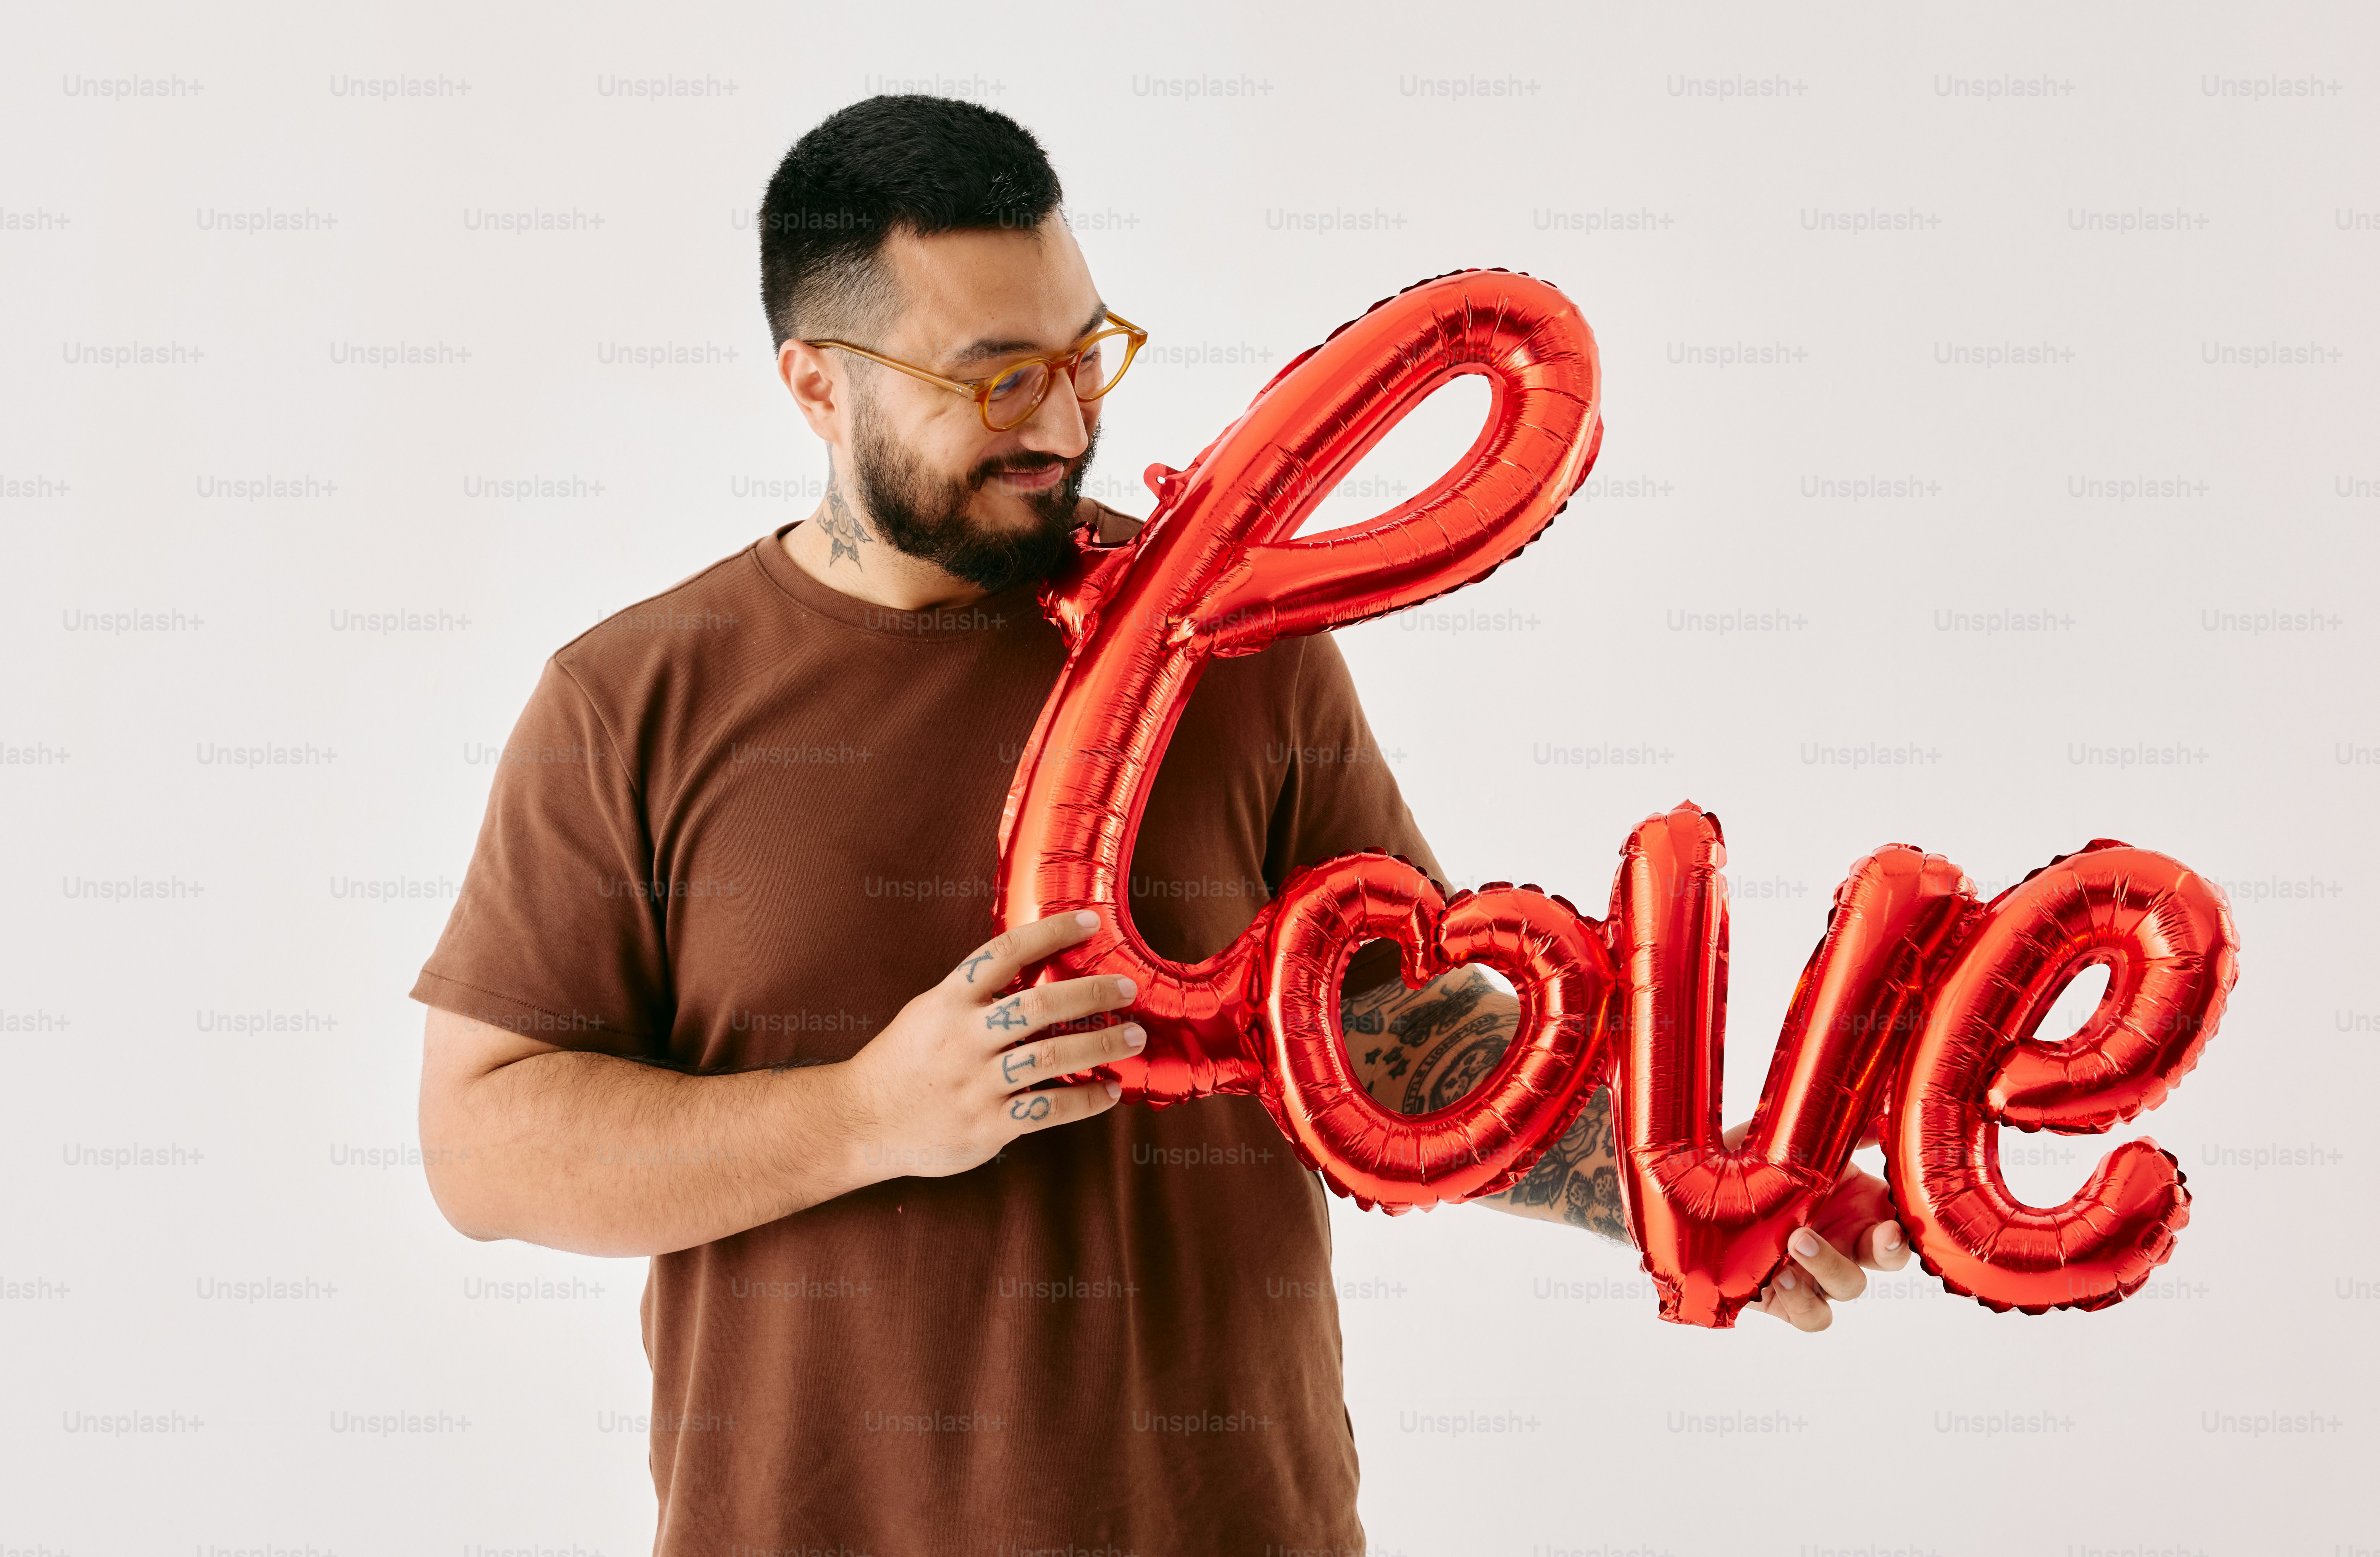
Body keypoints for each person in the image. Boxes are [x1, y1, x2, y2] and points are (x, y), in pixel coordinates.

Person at [411, 94, 1911, 1555]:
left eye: (1084, 353)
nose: (1064, 423)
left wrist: (1673, 1174)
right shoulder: (632, 698)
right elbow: (482, 1142)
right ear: (817, 384)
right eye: (994, 377)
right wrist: (867, 1113)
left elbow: (1396, 1036)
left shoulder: (1230, 633)